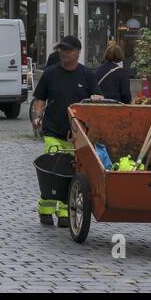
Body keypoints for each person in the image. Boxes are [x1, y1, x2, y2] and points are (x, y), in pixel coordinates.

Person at [30, 35, 98, 226]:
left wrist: (96, 98)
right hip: (53, 131)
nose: (63, 53)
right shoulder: (50, 74)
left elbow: (97, 98)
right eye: (61, 49)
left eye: (67, 50)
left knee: (71, 172)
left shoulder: (87, 75)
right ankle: (45, 210)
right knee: (53, 169)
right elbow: (40, 99)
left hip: (77, 136)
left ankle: (64, 212)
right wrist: (37, 116)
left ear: (77, 52)